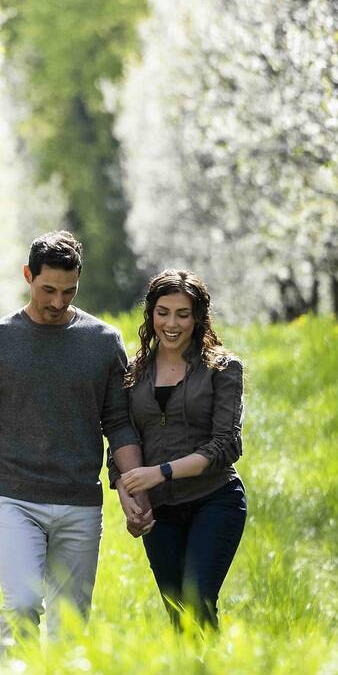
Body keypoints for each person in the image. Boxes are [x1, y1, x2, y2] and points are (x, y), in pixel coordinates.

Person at [0, 231, 147, 647]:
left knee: (71, 624)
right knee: (22, 604)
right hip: (16, 498)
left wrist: (134, 489)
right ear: (28, 276)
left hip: (80, 501)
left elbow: (118, 422)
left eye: (68, 291)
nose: (58, 302)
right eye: (48, 290)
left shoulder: (103, 342)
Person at [114, 269, 247, 628]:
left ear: (198, 317)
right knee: (178, 615)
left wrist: (159, 472)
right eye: (163, 312)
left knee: (198, 602)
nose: (171, 324)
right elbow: (123, 434)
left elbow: (226, 445)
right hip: (161, 511)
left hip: (215, 499)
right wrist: (126, 491)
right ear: (150, 314)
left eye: (182, 314)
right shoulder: (134, 373)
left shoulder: (223, 369)